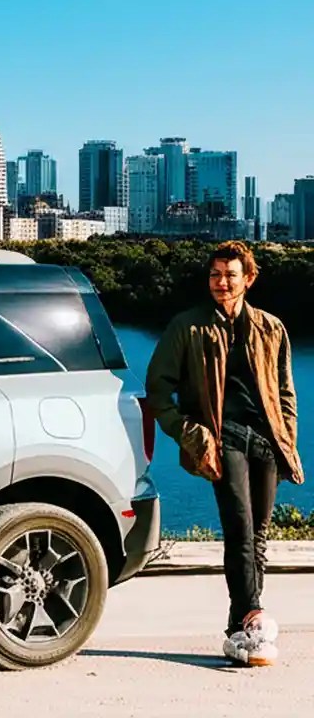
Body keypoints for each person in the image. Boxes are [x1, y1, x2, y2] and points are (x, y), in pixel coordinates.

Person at [145, 239, 303, 666]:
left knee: (259, 536)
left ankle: (239, 631)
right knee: (238, 527)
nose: (221, 282)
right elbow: (158, 392)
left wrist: (286, 436)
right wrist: (192, 435)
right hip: (223, 437)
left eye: (231, 275)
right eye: (215, 274)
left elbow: (285, 391)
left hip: (265, 440)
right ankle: (255, 615)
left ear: (248, 279)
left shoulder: (271, 328)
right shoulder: (188, 327)